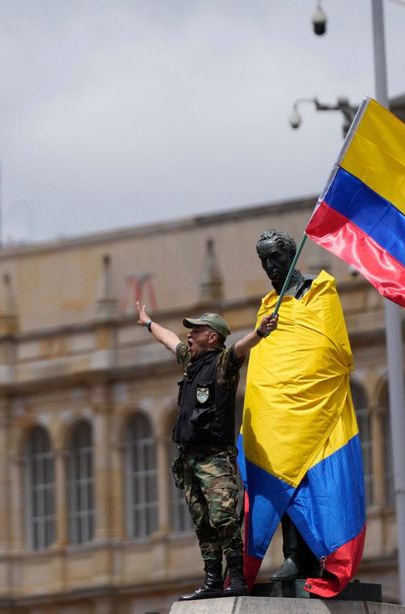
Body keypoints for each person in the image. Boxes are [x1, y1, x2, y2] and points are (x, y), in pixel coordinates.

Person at [240, 228, 367, 597]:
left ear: (292, 257)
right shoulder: (268, 306)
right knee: (280, 482)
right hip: (278, 412)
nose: (269, 266)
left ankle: (316, 557)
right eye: (263, 260)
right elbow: (267, 358)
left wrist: (302, 383)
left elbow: (332, 350)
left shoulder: (320, 294)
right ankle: (293, 554)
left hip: (315, 406)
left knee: (313, 483)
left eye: (274, 258)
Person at [136, 299, 277, 600]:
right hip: (189, 459)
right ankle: (213, 580)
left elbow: (240, 348)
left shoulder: (222, 363)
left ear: (212, 336)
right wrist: (148, 323)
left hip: (215, 458)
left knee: (223, 518)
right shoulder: (190, 361)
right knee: (203, 522)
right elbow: (169, 339)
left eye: (196, 330)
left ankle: (236, 580)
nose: (189, 334)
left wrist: (260, 333)